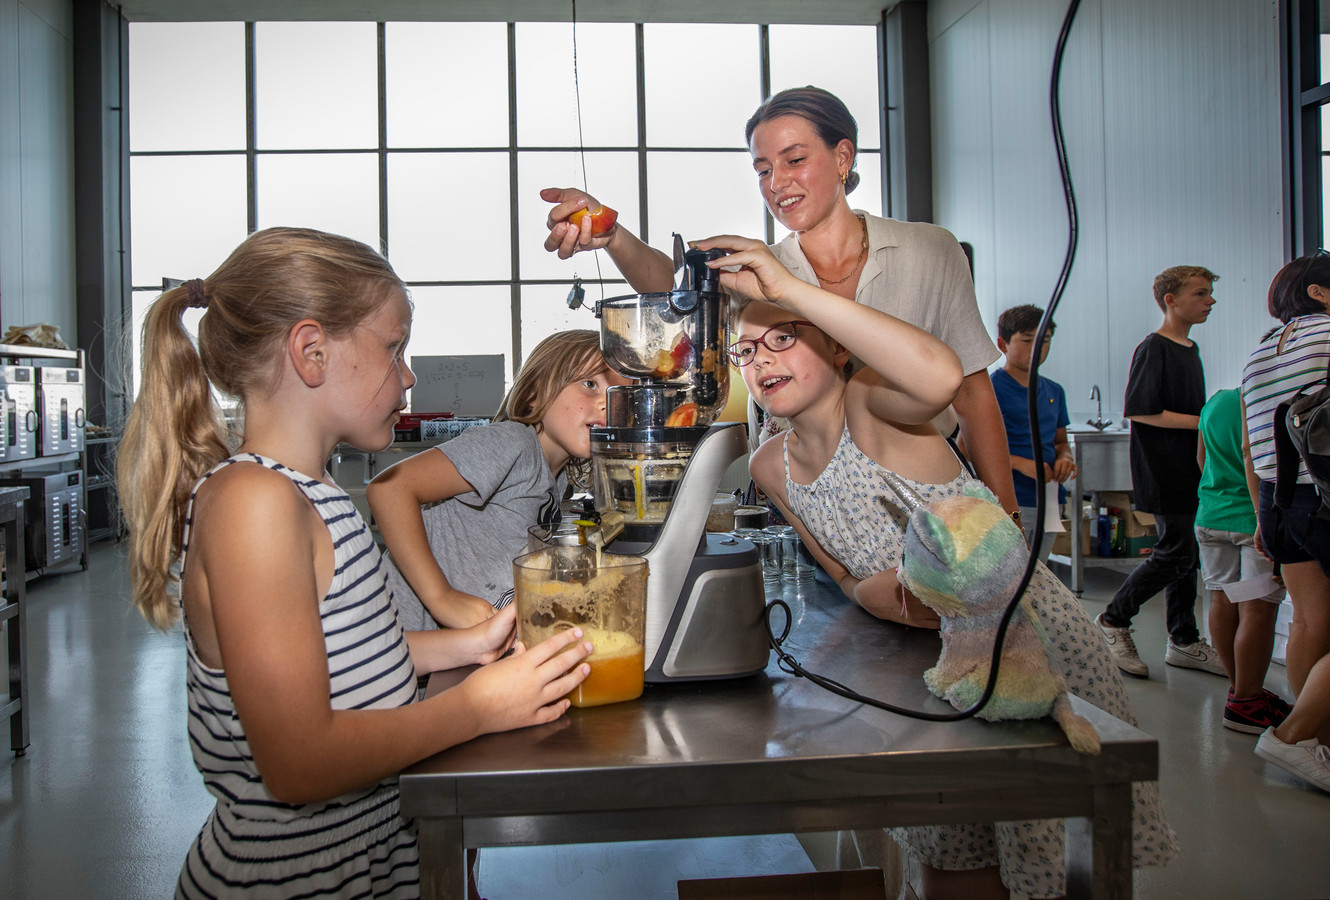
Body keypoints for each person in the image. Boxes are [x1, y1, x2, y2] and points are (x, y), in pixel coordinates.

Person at [116, 226, 593, 898]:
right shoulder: (254, 502)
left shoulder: (318, 493)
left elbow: (338, 648)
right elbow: (299, 764)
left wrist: (466, 643)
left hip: (373, 859)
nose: (409, 374)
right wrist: (478, 709)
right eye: (394, 348)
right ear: (311, 353)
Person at [698, 233, 1177, 900]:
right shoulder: (766, 465)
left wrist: (789, 288)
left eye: (783, 337)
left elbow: (940, 374)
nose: (760, 360)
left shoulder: (869, 404)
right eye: (746, 352)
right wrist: (877, 594)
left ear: (837, 345)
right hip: (932, 665)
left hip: (1028, 640)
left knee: (1054, 856)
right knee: (953, 852)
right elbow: (838, 573)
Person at [540, 85, 1019, 520]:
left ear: (842, 156)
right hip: (806, 496)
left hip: (928, 487)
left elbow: (973, 392)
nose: (776, 183)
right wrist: (612, 234)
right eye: (763, 170)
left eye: (794, 160)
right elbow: (675, 290)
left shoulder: (931, 251)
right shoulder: (763, 271)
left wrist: (1008, 515)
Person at [367, 330, 626, 630]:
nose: (607, 404)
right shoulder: (512, 443)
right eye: (590, 384)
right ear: (534, 394)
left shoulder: (559, 483)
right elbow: (390, 489)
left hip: (461, 650)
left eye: (617, 395)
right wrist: (443, 598)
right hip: (398, 639)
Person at [1094, 266, 1225, 679]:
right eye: (1201, 294)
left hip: (1190, 469)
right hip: (1163, 467)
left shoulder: (1190, 348)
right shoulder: (1155, 347)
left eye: (1210, 294)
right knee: (1176, 555)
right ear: (1171, 299)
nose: (1210, 301)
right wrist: (1204, 422)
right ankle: (1113, 620)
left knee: (1187, 559)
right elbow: (1141, 410)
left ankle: (1183, 640)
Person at [1241, 252, 1330, 789]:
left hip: (1280, 501)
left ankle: (1319, 744)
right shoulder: (1329, 336)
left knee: (1309, 622)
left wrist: (1262, 515)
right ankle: (1295, 733)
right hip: (1325, 498)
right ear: (1319, 292)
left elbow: (1253, 447)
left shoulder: (1259, 355)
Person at [1194, 387, 1288, 733]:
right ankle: (1247, 699)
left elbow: (1202, 459)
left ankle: (1241, 690)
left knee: (1220, 599)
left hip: (1210, 516)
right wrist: (1258, 511)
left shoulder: (1216, 402)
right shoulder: (1268, 402)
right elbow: (1255, 458)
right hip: (1251, 523)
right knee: (1256, 608)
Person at [990, 303, 1075, 561]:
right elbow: (966, 449)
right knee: (1009, 577)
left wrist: (1066, 458)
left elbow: (1060, 441)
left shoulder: (1054, 391)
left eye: (1045, 340)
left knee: (1040, 577)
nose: (1037, 347)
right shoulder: (991, 390)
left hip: (1049, 499)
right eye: (1027, 340)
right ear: (1003, 344)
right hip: (1010, 499)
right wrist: (1021, 464)